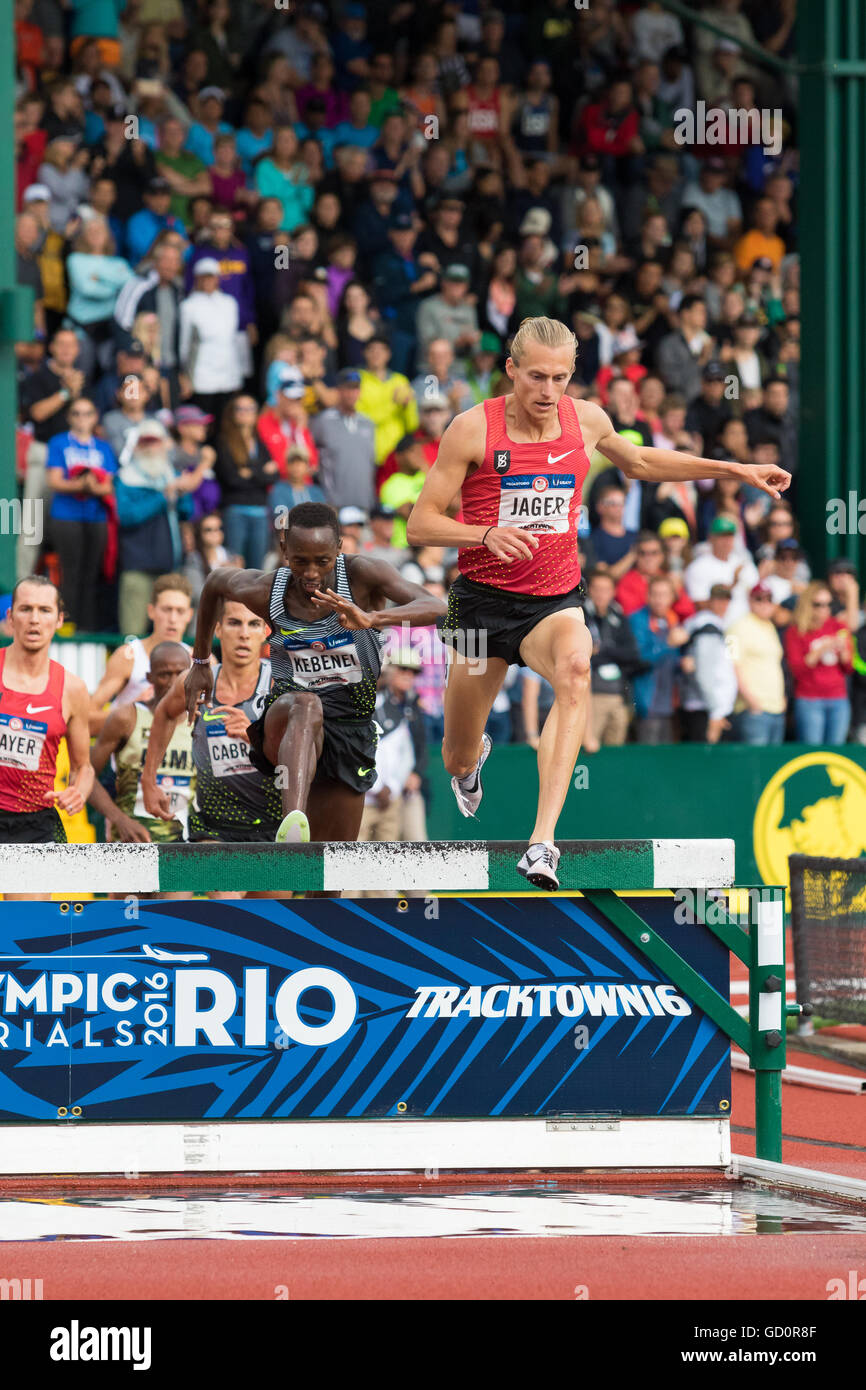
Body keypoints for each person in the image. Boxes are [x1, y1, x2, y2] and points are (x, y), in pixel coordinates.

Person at [407, 315, 790, 888]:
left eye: (561, 378)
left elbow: (641, 463)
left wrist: (733, 468)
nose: (547, 391)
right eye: (536, 376)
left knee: (577, 667)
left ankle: (542, 843)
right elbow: (419, 524)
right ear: (510, 370)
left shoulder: (585, 420)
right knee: (456, 755)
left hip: (553, 600)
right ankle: (471, 758)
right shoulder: (471, 429)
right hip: (479, 604)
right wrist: (482, 534)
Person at [181, 503, 446, 848]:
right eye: (299, 561)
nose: (311, 573)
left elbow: (438, 606)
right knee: (306, 705)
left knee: (330, 876)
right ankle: (293, 823)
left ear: (339, 549)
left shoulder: (364, 575)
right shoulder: (268, 591)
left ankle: (308, 850)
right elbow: (215, 582)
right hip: (288, 721)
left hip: (350, 729)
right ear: (283, 552)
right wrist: (200, 662)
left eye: (323, 561)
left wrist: (372, 619)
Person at [142, 602, 284, 867]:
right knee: (226, 900)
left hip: (271, 823)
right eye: (234, 623)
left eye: (253, 624)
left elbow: (301, 757)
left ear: (266, 631)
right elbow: (163, 714)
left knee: (267, 909)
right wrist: (148, 780)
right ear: (218, 629)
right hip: (212, 825)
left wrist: (256, 737)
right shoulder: (198, 683)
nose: (244, 634)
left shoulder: (280, 686)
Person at [0, 578, 94, 892]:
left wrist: (78, 791)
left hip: (34, 823)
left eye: (44, 610)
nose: (35, 619)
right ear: (11, 617)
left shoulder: (72, 688)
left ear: (59, 619)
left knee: (26, 934)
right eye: (26, 609)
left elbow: (84, 767)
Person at [88, 642, 194, 848]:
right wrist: (119, 819)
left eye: (180, 674)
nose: (174, 683)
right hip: (133, 841)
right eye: (165, 675)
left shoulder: (200, 720)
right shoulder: (127, 717)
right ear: (149, 677)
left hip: (187, 843)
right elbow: (84, 775)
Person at [45, 395, 118, 631]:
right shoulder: (58, 443)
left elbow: (108, 485)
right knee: (70, 573)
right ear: (69, 417)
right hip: (66, 516)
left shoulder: (103, 447)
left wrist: (91, 486)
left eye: (87, 413)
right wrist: (84, 485)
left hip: (96, 516)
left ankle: (87, 628)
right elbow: (54, 480)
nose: (81, 418)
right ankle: (67, 626)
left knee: (92, 575)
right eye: (76, 413)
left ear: (94, 417)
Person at [89, 573, 194, 732]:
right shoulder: (128, 656)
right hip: (131, 754)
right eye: (167, 609)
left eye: (180, 611)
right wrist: (133, 710)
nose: (172, 618)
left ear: (189, 615)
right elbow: (88, 722)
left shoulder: (199, 661)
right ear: (151, 611)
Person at [784, 583, 853, 745]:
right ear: (808, 605)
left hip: (838, 699)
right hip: (810, 699)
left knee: (836, 753)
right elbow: (797, 670)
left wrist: (844, 651)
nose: (824, 609)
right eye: (818, 605)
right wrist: (821, 649)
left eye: (829, 604)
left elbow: (848, 667)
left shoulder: (839, 626)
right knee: (812, 752)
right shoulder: (796, 631)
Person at [726, 582, 787, 744]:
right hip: (753, 709)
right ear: (749, 601)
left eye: (769, 599)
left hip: (775, 707)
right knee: (755, 765)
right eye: (759, 599)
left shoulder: (770, 626)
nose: (765, 604)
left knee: (773, 766)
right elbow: (730, 666)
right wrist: (751, 701)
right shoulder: (736, 627)